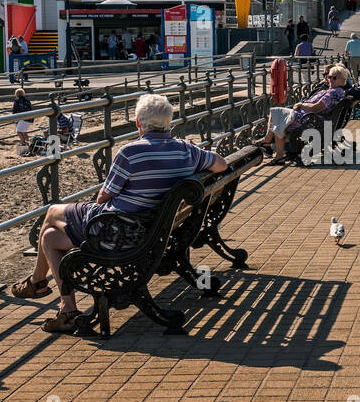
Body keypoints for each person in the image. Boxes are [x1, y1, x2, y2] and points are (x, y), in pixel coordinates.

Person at [12, 93, 228, 332]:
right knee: (49, 238)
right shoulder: (187, 151)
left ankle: (40, 286)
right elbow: (221, 164)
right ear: (169, 122)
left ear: (138, 123)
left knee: (53, 212)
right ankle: (58, 302)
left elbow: (104, 196)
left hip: (117, 232)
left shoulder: (130, 152)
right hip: (156, 231)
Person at [253, 64, 350, 165]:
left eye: (334, 78)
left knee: (276, 113)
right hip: (313, 120)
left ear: (343, 80)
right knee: (278, 118)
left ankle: (268, 142)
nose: (330, 80)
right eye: (329, 77)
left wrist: (301, 105)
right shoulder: (336, 92)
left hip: (310, 120)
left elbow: (316, 108)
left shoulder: (332, 93)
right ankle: (276, 153)